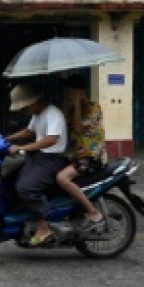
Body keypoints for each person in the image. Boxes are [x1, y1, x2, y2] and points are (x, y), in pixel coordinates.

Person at [5, 84, 69, 246]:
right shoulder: (38, 112)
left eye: (24, 107)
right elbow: (29, 131)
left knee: (26, 188)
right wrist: (6, 139)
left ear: (33, 101)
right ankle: (25, 217)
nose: (23, 111)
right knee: (9, 179)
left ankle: (43, 226)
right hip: (39, 157)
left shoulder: (52, 113)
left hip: (52, 159)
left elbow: (51, 140)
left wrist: (22, 147)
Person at [56, 75, 106, 231]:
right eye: (68, 91)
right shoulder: (70, 108)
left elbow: (78, 128)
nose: (69, 94)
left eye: (71, 91)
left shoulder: (94, 108)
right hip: (75, 156)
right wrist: (68, 106)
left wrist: (77, 104)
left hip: (91, 157)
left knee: (62, 178)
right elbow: (61, 125)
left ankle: (93, 213)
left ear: (81, 91)